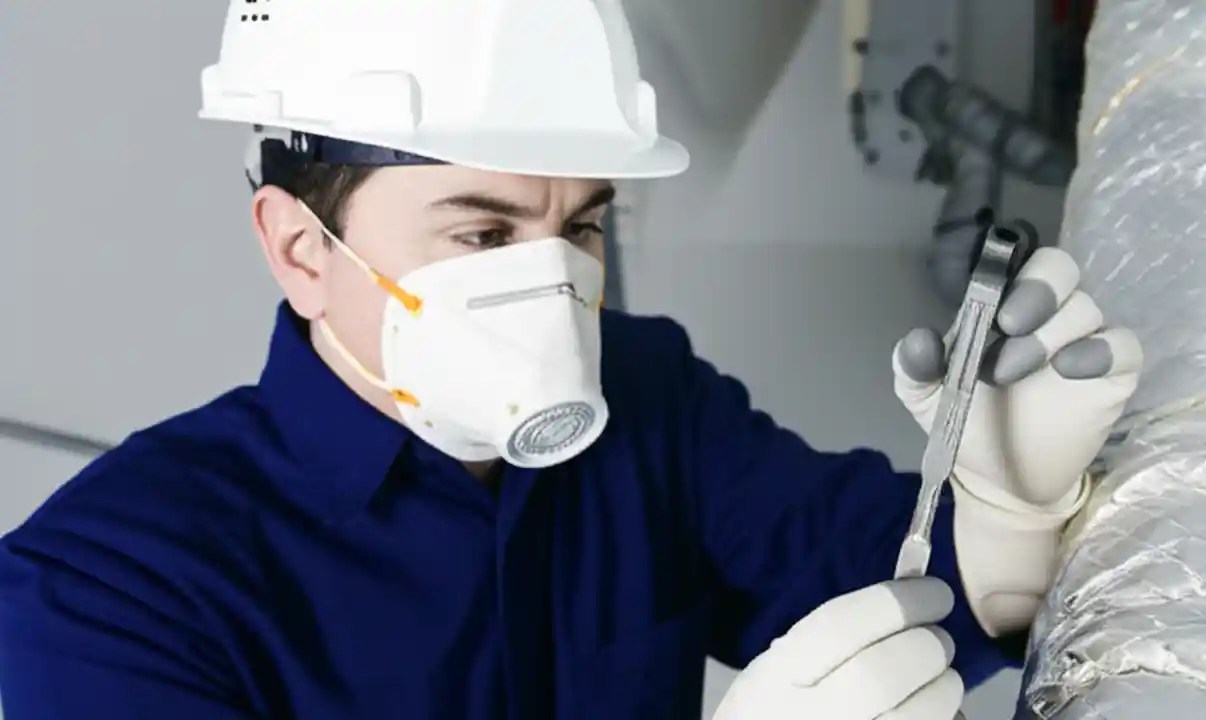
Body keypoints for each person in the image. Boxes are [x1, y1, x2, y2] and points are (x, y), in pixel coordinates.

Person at [0, 2, 1142, 718]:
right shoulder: (105, 594)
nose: (552, 287)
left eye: (582, 227)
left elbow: (909, 594)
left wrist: (1006, 503)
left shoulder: (647, 399)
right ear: (301, 249)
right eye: (482, 234)